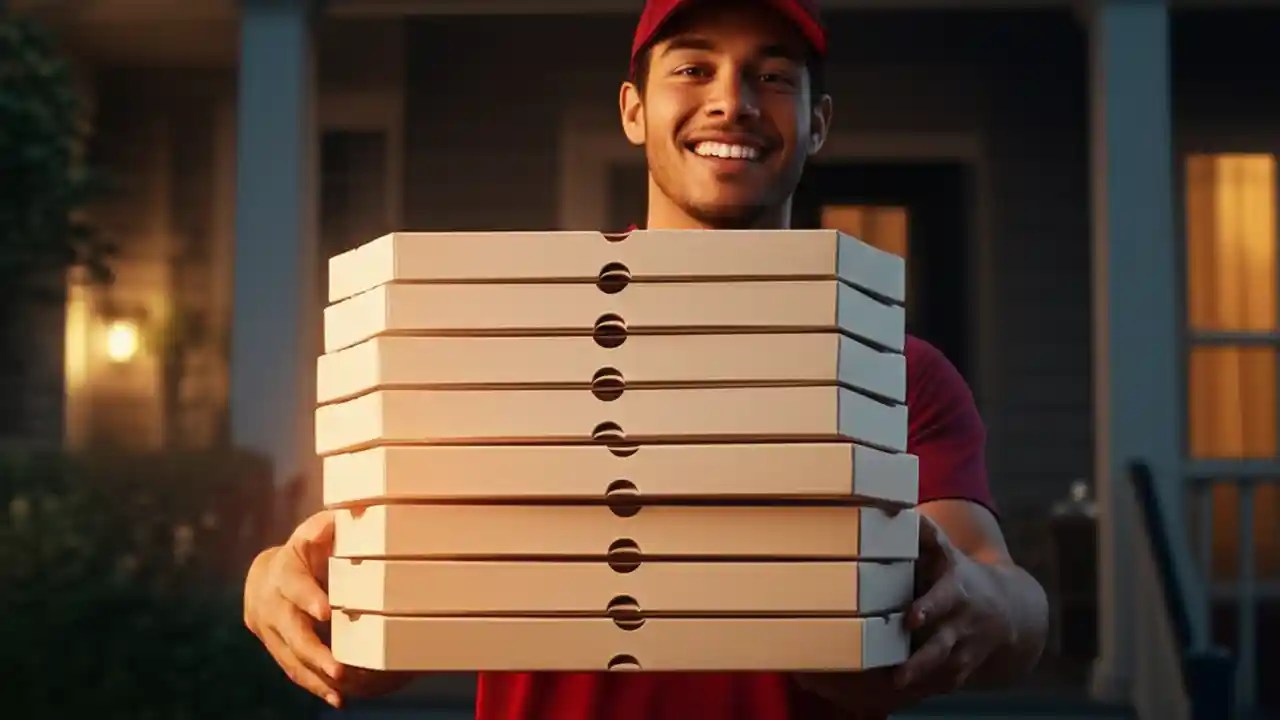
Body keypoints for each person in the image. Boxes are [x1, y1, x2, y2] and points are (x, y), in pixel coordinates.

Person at [241, 0, 1050, 717]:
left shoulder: (893, 369)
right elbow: (373, 645)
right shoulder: (509, 342)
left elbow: (1004, 602)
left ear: (818, 122)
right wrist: (280, 580)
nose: (732, 102)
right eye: (693, 67)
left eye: (772, 76)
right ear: (633, 110)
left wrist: (985, 600)